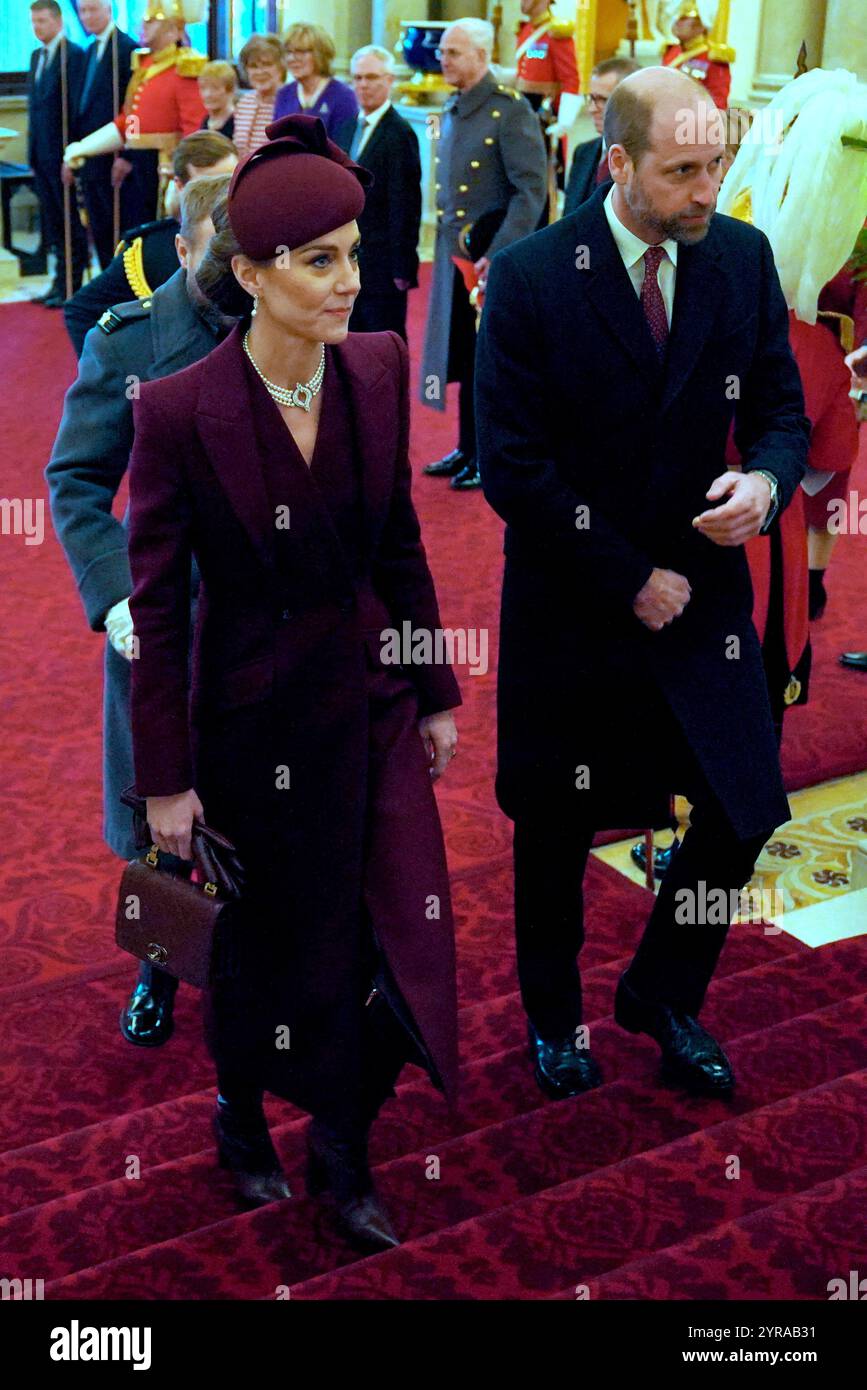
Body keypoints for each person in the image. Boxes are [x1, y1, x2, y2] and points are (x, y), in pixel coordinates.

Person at [126, 115, 461, 1250]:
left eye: (355, 254)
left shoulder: (371, 369)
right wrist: (163, 784)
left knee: (390, 939)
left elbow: (402, 544)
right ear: (255, 273)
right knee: (264, 947)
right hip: (249, 732)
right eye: (319, 261)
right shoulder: (179, 412)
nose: (349, 281)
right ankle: (237, 1112)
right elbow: (161, 611)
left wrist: (438, 689)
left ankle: (343, 1142)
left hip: (367, 711)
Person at [475, 67, 809, 1102]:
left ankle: (663, 991)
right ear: (617, 164)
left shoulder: (740, 259)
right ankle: (554, 1015)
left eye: (718, 165)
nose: (708, 189)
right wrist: (630, 577)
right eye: (683, 170)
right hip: (575, 596)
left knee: (745, 803)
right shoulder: (530, 277)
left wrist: (762, 480)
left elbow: (783, 413)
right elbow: (511, 464)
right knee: (558, 826)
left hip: (701, 592)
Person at [46, 173, 236, 1050]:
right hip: (161, 616)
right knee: (159, 818)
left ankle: (262, 968)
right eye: (231, 253)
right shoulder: (127, 340)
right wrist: (114, 593)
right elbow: (77, 478)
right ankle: (157, 966)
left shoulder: (285, 322)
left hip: (267, 620)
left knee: (262, 803)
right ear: (187, 243)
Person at [420, 18, 546, 492]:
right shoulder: (453, 106)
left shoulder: (508, 110)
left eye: (453, 52)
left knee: (486, 361)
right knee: (459, 355)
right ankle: (466, 447)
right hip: (454, 253)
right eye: (443, 52)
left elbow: (530, 191)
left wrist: (499, 252)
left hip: (489, 257)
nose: (442, 59)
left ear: (482, 55)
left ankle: (487, 457)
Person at [63, 129, 238, 355]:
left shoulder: (265, 237)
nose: (222, 196)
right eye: (208, 187)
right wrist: (108, 376)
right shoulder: (150, 250)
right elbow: (80, 310)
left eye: (229, 182)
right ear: (180, 186)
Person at [63, 0, 207, 226]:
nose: (143, 25)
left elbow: (194, 128)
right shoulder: (145, 66)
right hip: (139, 166)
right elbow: (129, 122)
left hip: (165, 166)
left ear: (172, 29)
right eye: (144, 20)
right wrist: (85, 147)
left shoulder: (185, 65)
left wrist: (184, 174)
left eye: (151, 21)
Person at [341, 44, 422, 340]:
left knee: (382, 339)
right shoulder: (348, 127)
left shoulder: (399, 132)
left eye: (372, 77)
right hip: (349, 256)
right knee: (349, 339)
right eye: (358, 78)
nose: (364, 85)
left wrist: (403, 266)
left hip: (384, 263)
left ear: (389, 80)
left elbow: (406, 203)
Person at [28, 0, 87, 307]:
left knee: (69, 223)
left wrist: (71, 157)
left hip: (63, 156)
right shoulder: (37, 55)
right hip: (41, 155)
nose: (37, 27)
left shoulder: (73, 56)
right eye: (33, 22)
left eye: (42, 21)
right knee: (52, 223)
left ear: (58, 21)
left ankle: (71, 286)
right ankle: (56, 282)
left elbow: (74, 112)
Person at [73, 1, 139, 271]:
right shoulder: (89, 49)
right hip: (91, 155)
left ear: (108, 10)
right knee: (98, 226)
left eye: (92, 9)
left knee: (117, 227)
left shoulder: (127, 48)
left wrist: (126, 155)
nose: (87, 16)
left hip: (116, 157)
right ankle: (103, 282)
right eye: (83, 11)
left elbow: (135, 108)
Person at [563, 57, 639, 216]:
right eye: (590, 98)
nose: (591, 109)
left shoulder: (645, 158)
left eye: (602, 100)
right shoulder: (584, 152)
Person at [273, 22, 357, 149]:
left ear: (320, 54)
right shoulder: (284, 94)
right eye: (288, 52)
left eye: (301, 51)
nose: (292, 58)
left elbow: (344, 150)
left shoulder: (344, 97)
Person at [660, 0, 733, 109]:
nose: (677, 21)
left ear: (702, 24)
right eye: (677, 16)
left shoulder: (713, 59)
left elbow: (718, 106)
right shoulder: (671, 51)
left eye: (684, 17)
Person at [231, 34, 284, 157]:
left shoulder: (291, 102)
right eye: (253, 66)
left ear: (281, 67)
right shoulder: (244, 102)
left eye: (267, 64)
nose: (260, 72)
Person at [197, 59, 237, 140]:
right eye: (203, 88)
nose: (207, 94)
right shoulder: (205, 121)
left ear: (230, 90)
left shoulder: (238, 123)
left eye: (215, 88)